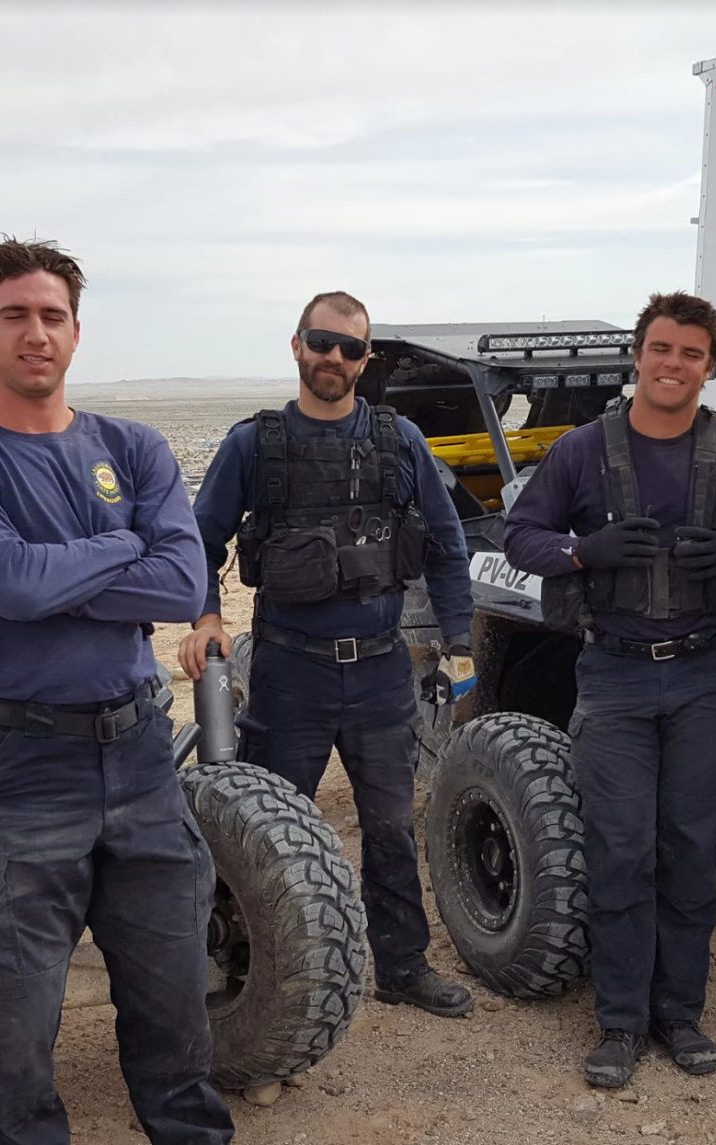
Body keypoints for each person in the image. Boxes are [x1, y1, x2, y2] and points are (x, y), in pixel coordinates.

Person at [0, 238, 234, 1145]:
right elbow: (7, 582)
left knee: (176, 1009)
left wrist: (39, 579)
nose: (35, 333)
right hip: (18, 771)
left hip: (137, 758)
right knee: (16, 1039)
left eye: (52, 316)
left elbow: (180, 586)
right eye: (15, 315)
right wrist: (123, 542)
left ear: (77, 332)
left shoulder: (133, 445)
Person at [502, 291, 716, 1089]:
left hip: (703, 671)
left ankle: (680, 1016)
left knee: (691, 849)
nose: (674, 365)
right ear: (638, 354)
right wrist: (582, 552)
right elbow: (522, 536)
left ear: (710, 365)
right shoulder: (584, 451)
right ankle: (620, 1022)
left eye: (693, 354)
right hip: (616, 675)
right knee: (620, 851)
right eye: (662, 348)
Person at [181, 290, 478, 1017]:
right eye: (322, 342)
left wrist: (461, 638)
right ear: (297, 345)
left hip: (380, 668)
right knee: (266, 831)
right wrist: (207, 614)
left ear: (365, 358)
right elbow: (198, 539)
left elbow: (445, 541)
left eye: (350, 348)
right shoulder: (256, 445)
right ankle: (248, 975)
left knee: (389, 827)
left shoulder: (399, 439)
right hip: (289, 670)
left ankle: (403, 968)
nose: (334, 358)